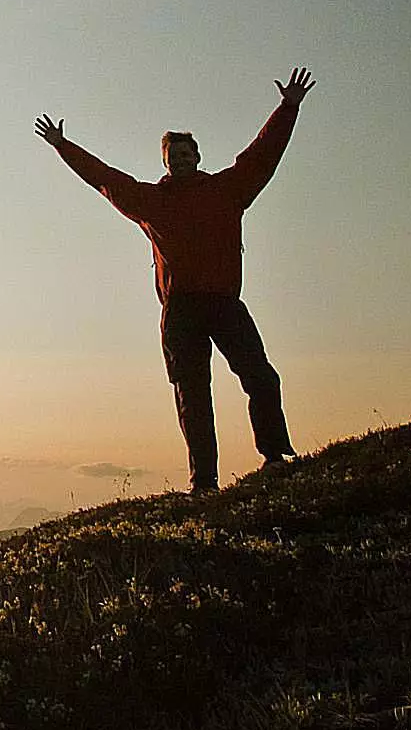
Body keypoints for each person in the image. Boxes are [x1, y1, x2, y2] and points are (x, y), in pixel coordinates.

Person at [34, 68, 315, 494]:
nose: (182, 161)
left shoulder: (227, 189)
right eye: (174, 156)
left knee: (260, 377)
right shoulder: (152, 201)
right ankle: (205, 484)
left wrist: (288, 108)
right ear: (166, 162)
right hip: (181, 310)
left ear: (197, 158)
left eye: (187, 155)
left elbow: (262, 156)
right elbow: (105, 179)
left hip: (223, 303)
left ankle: (274, 456)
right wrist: (62, 146)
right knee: (193, 399)